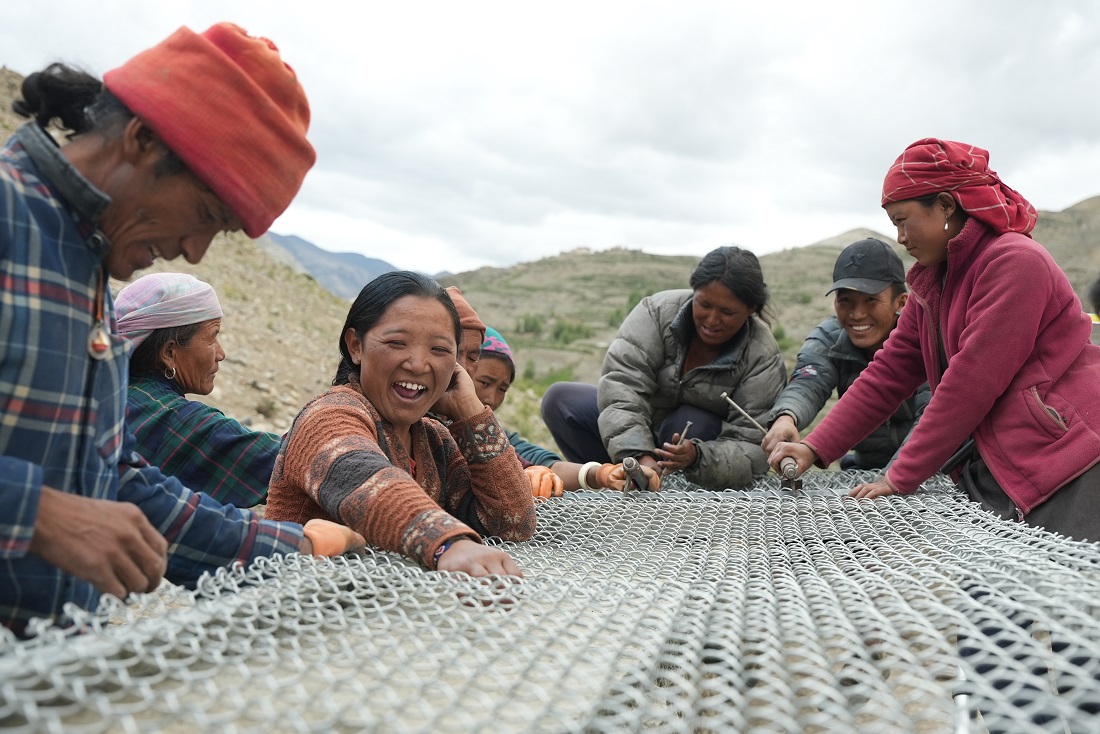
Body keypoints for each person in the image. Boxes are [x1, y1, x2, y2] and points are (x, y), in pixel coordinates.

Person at [0, 24, 363, 636]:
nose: (193, 252)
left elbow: (111, 484)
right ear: (142, 140)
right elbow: (67, 509)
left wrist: (289, 547)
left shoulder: (87, 264)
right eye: (205, 216)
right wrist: (33, 513)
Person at [769, 138, 1100, 541]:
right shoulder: (934, 281)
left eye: (903, 220)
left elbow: (970, 384)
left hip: (1070, 460)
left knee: (1063, 591)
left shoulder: (1015, 263)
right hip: (1006, 465)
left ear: (945, 205)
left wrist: (900, 475)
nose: (901, 237)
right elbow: (888, 372)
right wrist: (815, 447)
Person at [265, 272, 537, 577]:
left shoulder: (434, 439)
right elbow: (366, 481)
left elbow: (512, 522)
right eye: (397, 342)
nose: (418, 364)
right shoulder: (327, 417)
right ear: (356, 345)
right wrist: (448, 545)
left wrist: (469, 409)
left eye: (439, 350)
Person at [542, 246, 787, 489]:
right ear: (694, 292)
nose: (712, 320)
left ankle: (672, 496)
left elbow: (751, 446)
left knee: (690, 422)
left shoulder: (761, 357)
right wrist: (639, 456)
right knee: (561, 400)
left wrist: (698, 456)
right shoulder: (656, 313)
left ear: (751, 310)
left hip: (696, 460)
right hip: (639, 434)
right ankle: (620, 479)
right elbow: (622, 386)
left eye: (727, 312)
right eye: (704, 304)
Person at [761, 239, 930, 470]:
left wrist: (894, 478)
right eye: (845, 300)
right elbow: (808, 382)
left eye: (870, 300)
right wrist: (786, 417)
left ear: (901, 302)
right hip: (865, 469)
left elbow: (929, 418)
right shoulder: (828, 337)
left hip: (933, 469)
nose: (856, 314)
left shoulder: (925, 340)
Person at [115, 273, 279, 508]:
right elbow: (287, 463)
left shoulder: (113, 391)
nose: (221, 354)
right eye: (212, 338)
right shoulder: (173, 418)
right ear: (170, 353)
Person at [474, 327, 660, 495]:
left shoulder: (489, 435)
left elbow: (541, 463)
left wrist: (602, 474)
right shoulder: (446, 430)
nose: (492, 399)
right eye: (484, 383)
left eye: (502, 389)